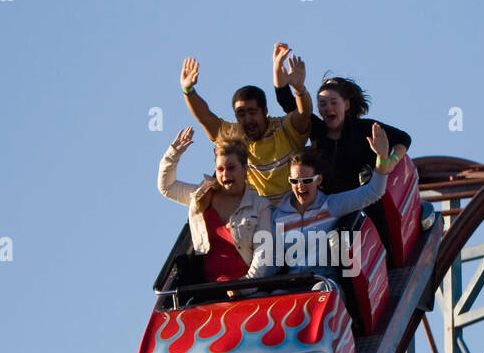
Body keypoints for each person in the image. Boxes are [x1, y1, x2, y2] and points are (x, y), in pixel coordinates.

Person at [269, 45, 412, 194]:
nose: (328, 108)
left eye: (334, 102)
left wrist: (391, 161)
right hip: (330, 204)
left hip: (363, 201)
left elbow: (403, 138)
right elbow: (287, 102)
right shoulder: (317, 129)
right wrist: (277, 66)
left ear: (346, 104)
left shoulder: (364, 128)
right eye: (322, 104)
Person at [179, 52, 313, 201]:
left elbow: (304, 113)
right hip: (260, 216)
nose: (248, 119)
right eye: (241, 114)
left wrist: (299, 89)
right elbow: (206, 118)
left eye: (252, 112)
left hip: (292, 211)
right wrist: (188, 90)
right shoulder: (235, 136)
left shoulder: (284, 128)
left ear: (265, 111)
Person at [258, 139, 395, 282]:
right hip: (293, 286)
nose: (300, 186)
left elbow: (373, 192)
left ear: (318, 180)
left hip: (324, 284)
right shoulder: (278, 216)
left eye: (307, 181)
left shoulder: (331, 205)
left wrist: (382, 158)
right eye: (294, 181)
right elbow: (272, 261)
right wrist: (248, 285)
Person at [157, 127, 271, 282]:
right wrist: (173, 155)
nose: (225, 174)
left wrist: (243, 287)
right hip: (208, 291)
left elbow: (263, 255)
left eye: (231, 168)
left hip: (247, 291)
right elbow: (167, 187)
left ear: (245, 169)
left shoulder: (260, 206)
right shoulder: (202, 197)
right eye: (220, 169)